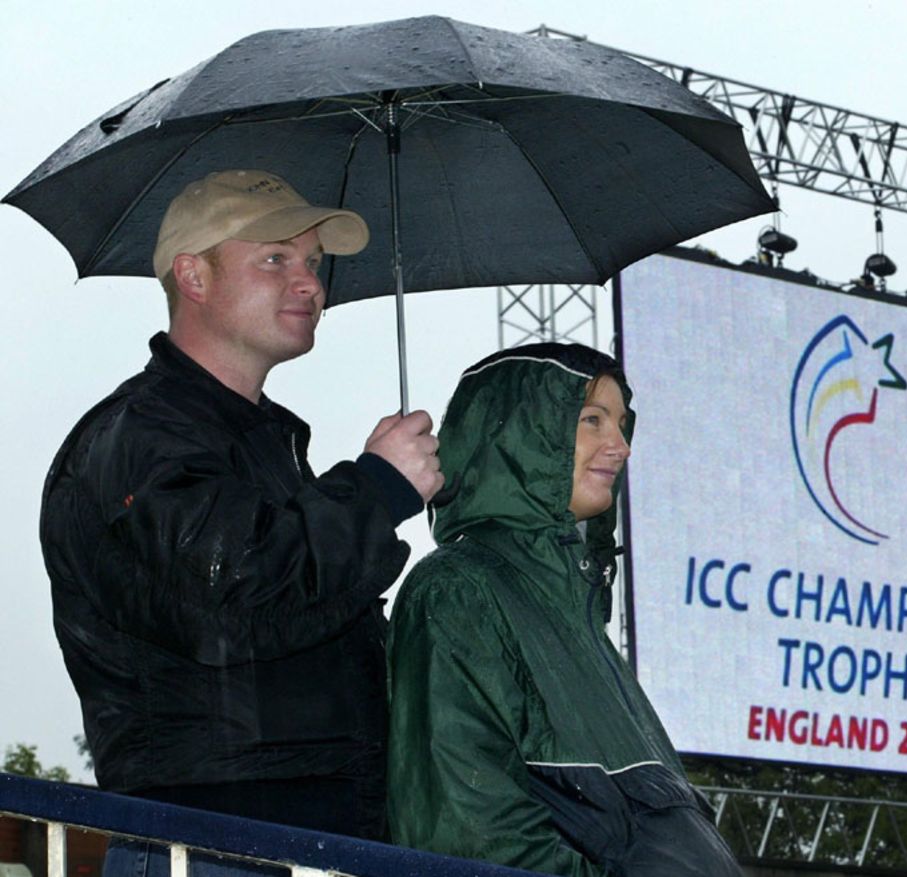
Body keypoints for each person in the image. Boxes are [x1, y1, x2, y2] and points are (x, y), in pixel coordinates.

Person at [40, 170, 443, 853]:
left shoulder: (261, 447)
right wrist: (375, 490)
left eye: (314, 263)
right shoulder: (138, 438)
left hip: (311, 832)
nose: (312, 284)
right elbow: (235, 596)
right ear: (192, 276)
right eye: (276, 258)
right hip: (208, 837)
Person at [386, 343, 741, 876]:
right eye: (591, 420)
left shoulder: (577, 611)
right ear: (519, 436)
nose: (619, 446)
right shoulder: (458, 591)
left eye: (621, 424)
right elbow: (469, 833)